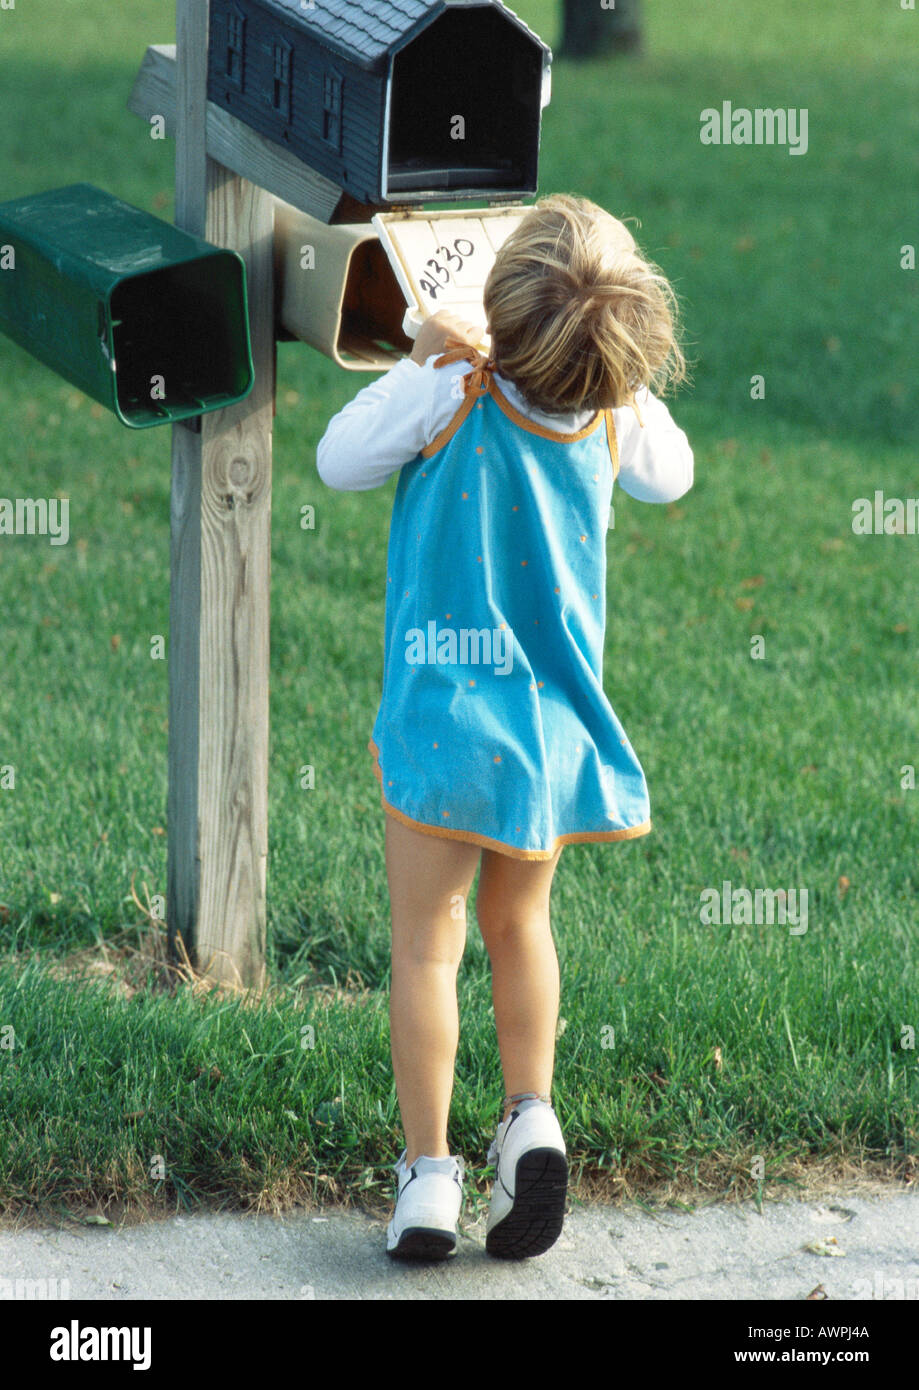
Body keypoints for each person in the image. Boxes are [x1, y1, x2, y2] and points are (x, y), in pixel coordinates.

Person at [316, 193, 693, 1261]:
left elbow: (338, 462)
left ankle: (427, 1179)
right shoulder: (617, 413)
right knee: (518, 926)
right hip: (552, 736)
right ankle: (530, 1116)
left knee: (424, 948)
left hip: (441, 727)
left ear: (495, 302)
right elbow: (676, 474)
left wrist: (418, 360)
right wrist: (623, 376)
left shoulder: (446, 390)